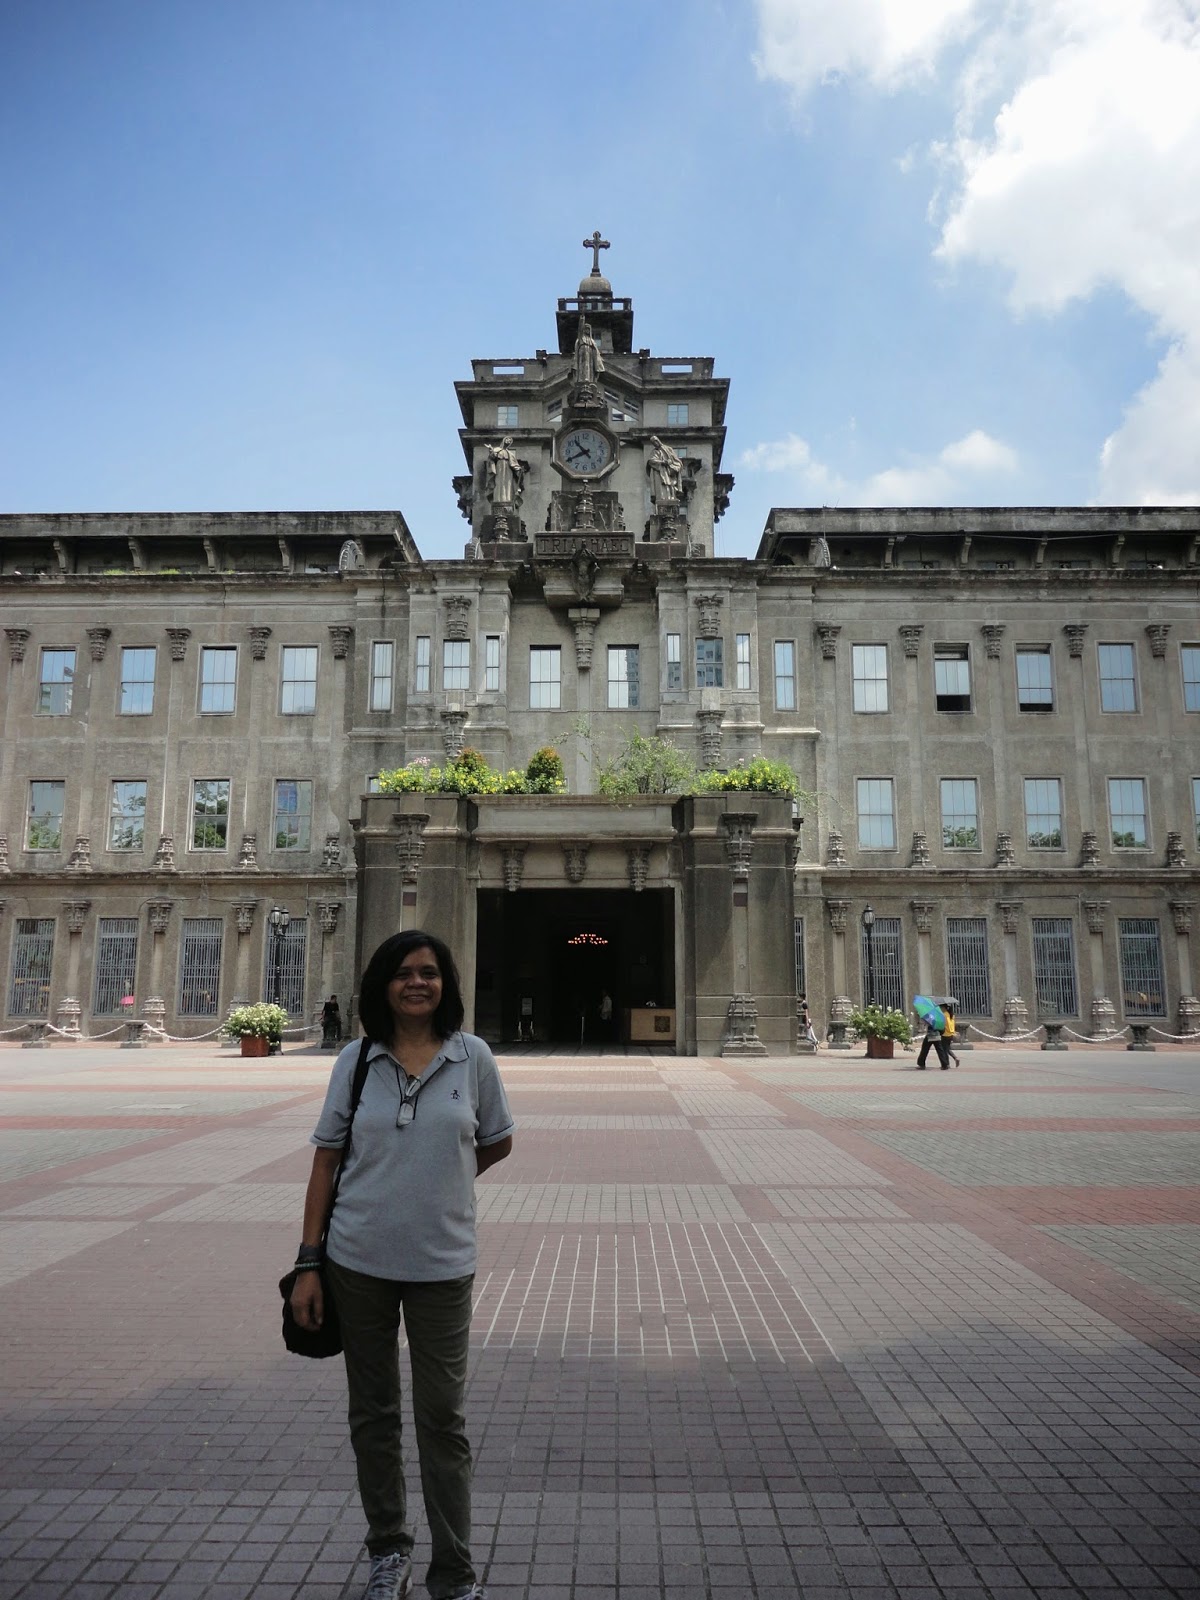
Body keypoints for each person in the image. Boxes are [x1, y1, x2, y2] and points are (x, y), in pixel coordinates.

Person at [290, 931, 515, 1600]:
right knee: (374, 1412)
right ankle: (388, 1549)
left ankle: (455, 1568)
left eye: (430, 973)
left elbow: (497, 1141)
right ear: (381, 985)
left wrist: (437, 1182)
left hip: (443, 1265)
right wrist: (309, 1262)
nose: (417, 983)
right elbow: (326, 1160)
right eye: (403, 973)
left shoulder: (471, 1057)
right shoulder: (356, 1061)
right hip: (357, 1261)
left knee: (442, 1418)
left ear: (447, 984)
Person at [483, 436, 524, 509]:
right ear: (504, 440)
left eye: (510, 441)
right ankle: (498, 500)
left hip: (508, 470)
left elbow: (514, 464)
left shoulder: (510, 454)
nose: (508, 441)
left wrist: (519, 469)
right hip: (499, 468)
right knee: (499, 483)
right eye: (507, 439)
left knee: (508, 485)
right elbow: (492, 457)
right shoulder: (497, 450)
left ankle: (508, 500)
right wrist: (491, 450)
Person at [647, 435, 684, 509]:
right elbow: (651, 461)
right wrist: (662, 462)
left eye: (655, 442)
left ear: (658, 441)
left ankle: (671, 498)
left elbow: (676, 460)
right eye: (653, 443)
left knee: (671, 486)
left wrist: (671, 463)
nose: (655, 444)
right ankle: (663, 499)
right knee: (662, 488)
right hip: (660, 471)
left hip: (669, 471)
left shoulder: (668, 449)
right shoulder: (654, 452)